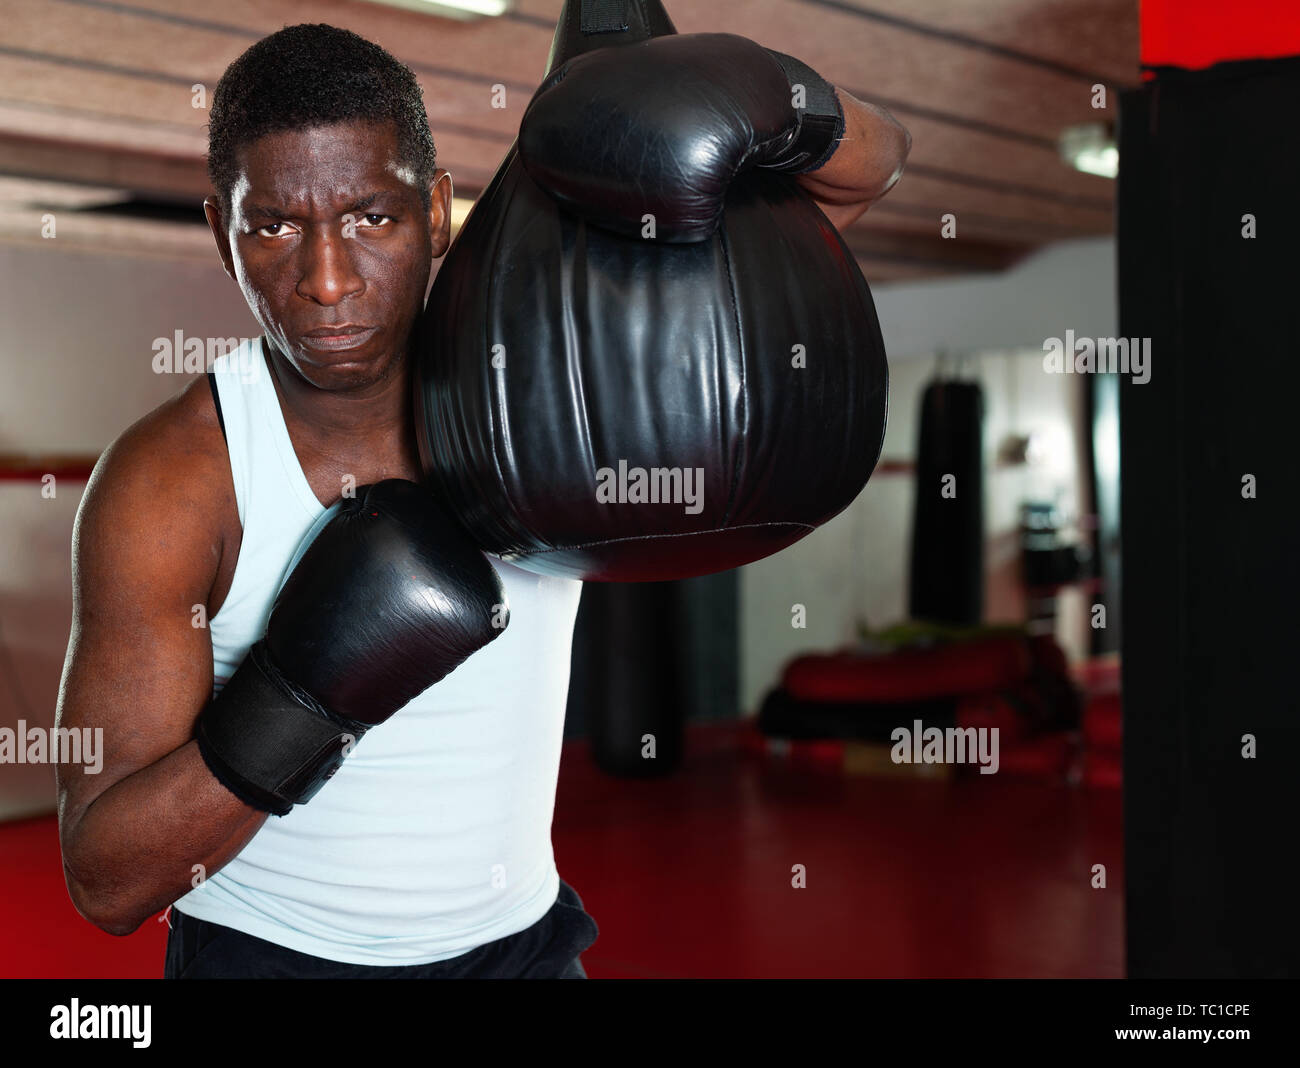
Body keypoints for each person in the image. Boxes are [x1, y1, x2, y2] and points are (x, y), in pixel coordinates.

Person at [53, 23, 909, 979]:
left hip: (524, 949)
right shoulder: (176, 481)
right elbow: (107, 881)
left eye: (370, 219)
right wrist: (303, 701)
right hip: (274, 959)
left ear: (437, 211)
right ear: (224, 233)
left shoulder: (543, 357)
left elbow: (871, 168)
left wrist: (759, 88)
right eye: (276, 227)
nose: (327, 282)